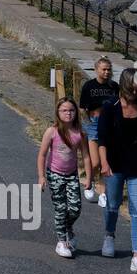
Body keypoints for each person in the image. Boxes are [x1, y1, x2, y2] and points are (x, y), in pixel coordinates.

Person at [96, 67, 137, 274]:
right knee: (113, 205)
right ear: (124, 85)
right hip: (114, 164)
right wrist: (104, 163)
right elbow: (102, 139)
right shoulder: (110, 107)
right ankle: (109, 235)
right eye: (132, 87)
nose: (136, 90)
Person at [38, 98, 85, 258]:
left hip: (71, 175)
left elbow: (86, 156)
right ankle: (61, 241)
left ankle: (67, 228)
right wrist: (41, 177)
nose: (68, 113)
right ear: (58, 113)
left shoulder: (79, 133)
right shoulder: (52, 132)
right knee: (60, 209)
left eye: (71, 110)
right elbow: (42, 154)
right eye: (64, 110)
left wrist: (89, 177)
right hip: (55, 174)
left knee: (75, 208)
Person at [78, 57, 119, 206]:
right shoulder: (89, 86)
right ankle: (89, 182)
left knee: (105, 162)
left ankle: (102, 192)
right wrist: (87, 124)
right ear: (97, 70)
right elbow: (82, 108)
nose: (107, 72)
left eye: (109, 69)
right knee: (95, 162)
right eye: (104, 69)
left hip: (110, 125)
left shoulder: (114, 86)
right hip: (94, 124)